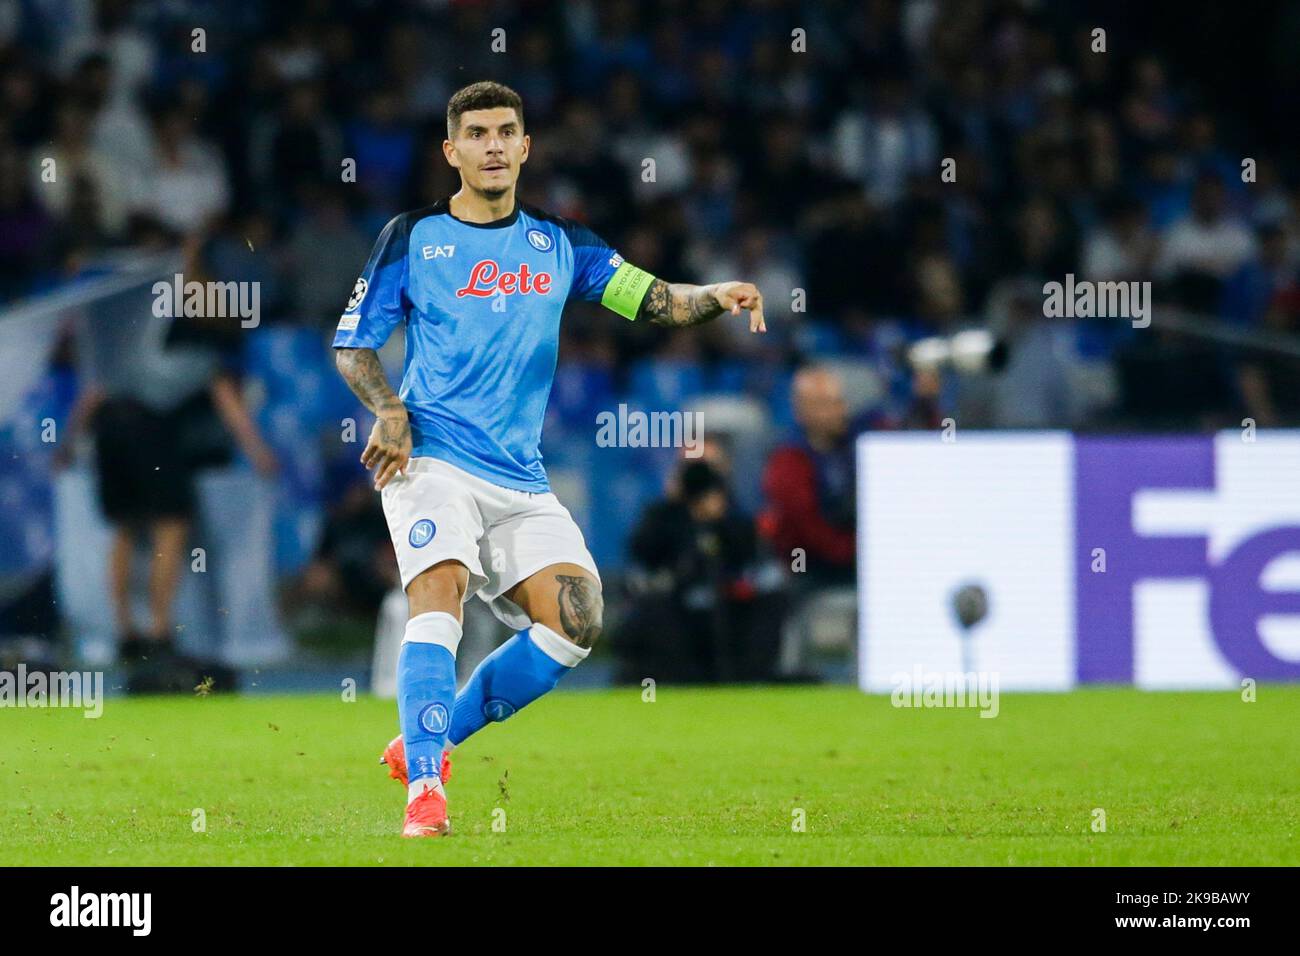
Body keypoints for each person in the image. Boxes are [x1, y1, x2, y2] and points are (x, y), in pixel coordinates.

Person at [331, 82, 765, 838]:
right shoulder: (413, 238)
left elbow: (655, 299)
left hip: (518, 477)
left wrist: (715, 293)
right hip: (430, 459)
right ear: (452, 151)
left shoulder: (563, 245)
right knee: (440, 592)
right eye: (477, 133)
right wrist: (390, 410)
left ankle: (427, 743)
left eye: (506, 132)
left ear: (527, 148)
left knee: (577, 618)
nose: (493, 145)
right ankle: (425, 795)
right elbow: (352, 344)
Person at [620, 460, 783, 684]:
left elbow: (749, 553)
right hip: (677, 603)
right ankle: (679, 680)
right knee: (655, 610)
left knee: (772, 600)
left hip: (728, 602)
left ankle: (753, 676)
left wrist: (718, 521)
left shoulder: (733, 517)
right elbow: (642, 551)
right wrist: (680, 513)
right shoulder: (665, 516)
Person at [759, 366, 857, 677]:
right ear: (805, 410)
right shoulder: (788, 460)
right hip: (807, 569)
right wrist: (857, 551)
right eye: (830, 403)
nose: (841, 410)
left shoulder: (851, 451)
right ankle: (792, 674)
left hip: (851, 563)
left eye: (840, 402)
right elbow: (807, 530)